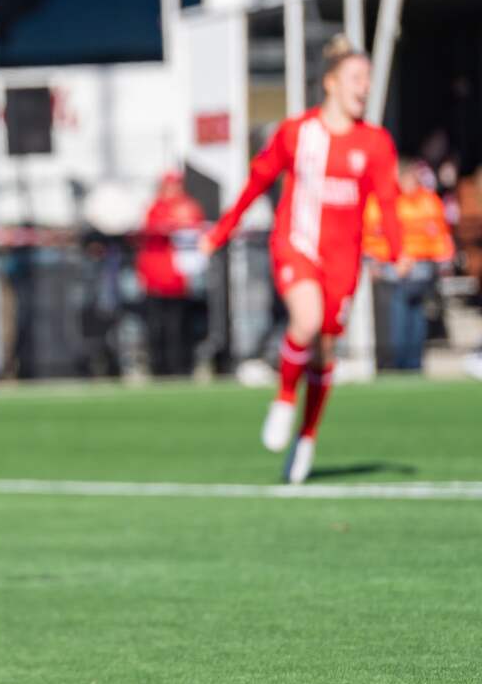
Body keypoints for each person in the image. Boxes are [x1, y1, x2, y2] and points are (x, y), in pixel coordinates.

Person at [201, 35, 404, 485]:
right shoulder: (298, 133)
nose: (365, 86)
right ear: (330, 83)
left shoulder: (374, 143)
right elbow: (258, 181)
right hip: (297, 245)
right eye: (357, 77)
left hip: (343, 261)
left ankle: (307, 436)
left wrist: (398, 248)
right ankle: (285, 397)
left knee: (325, 349)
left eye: (368, 78)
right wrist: (221, 230)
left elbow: (387, 201)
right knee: (306, 319)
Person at [364, 161, 455, 371]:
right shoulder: (385, 201)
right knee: (399, 312)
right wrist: (376, 260)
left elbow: (439, 234)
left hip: (422, 265)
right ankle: (398, 361)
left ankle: (413, 361)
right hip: (394, 266)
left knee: (416, 314)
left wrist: (441, 261)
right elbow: (373, 234)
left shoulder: (428, 201)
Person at [136, 171, 208, 377]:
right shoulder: (155, 208)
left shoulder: (187, 207)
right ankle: (159, 368)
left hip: (178, 280)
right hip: (155, 279)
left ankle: (181, 367)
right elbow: (150, 232)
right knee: (156, 326)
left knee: (179, 326)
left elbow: (195, 230)